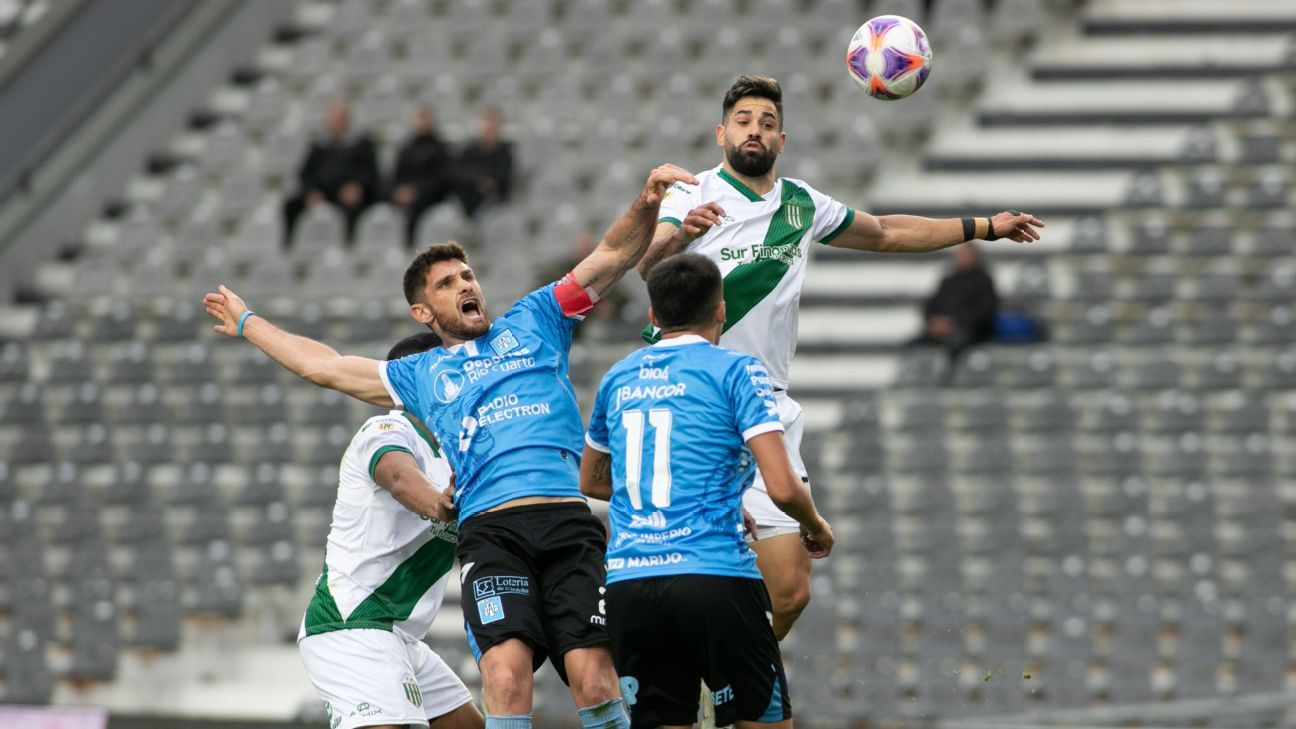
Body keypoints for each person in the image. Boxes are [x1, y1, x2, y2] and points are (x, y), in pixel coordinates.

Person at [204, 163, 700, 729]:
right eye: (446, 283)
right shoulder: (420, 374)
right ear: (423, 313)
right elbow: (328, 367)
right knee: (506, 680)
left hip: (566, 521)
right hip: (492, 534)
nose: (465, 285)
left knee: (594, 679)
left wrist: (646, 201)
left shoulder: (536, 319)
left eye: (467, 275)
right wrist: (249, 322)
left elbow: (610, 257)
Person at [634, 75, 1044, 640]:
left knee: (791, 590)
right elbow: (647, 269)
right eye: (744, 120)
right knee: (691, 574)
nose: (755, 130)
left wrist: (982, 227)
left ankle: (723, 678)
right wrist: (676, 241)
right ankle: (704, 682)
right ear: (721, 132)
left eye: (768, 123)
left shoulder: (801, 204)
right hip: (692, 398)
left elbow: (887, 233)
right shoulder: (690, 192)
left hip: (764, 404)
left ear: (783, 140)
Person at [580, 253, 834, 729]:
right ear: (721, 310)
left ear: (653, 317)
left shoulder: (617, 376)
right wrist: (815, 525)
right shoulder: (739, 370)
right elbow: (780, 487)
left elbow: (592, 479)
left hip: (629, 582)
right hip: (713, 575)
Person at [298, 331, 484, 729]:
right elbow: (400, 478)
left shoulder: (455, 450)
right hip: (352, 624)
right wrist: (440, 504)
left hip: (401, 636)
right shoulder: (387, 428)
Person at [283, 100, 381, 243]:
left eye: (340, 119)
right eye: (333, 119)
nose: (336, 123)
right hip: (322, 194)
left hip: (347, 196)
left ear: (348, 120)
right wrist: (311, 192)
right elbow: (305, 174)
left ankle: (347, 245)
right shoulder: (319, 146)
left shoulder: (362, 145)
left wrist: (357, 186)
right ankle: (291, 244)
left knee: (353, 209)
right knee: (291, 204)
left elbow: (370, 173)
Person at [913, 242, 999, 369]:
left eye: (967, 255)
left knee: (955, 345)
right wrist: (933, 322)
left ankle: (949, 379)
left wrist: (953, 323)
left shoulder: (984, 282)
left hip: (970, 331)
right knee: (913, 345)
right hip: (941, 330)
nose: (962, 258)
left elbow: (984, 311)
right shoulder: (948, 281)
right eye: (961, 255)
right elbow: (931, 305)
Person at [392, 107, 455, 245]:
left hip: (430, 201)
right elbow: (395, 177)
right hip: (404, 202)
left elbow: (442, 180)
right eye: (418, 119)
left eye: (424, 119)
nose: (421, 123)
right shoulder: (406, 149)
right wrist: (399, 193)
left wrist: (416, 192)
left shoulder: (440, 149)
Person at [455, 107, 513, 217]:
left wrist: (489, 182)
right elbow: (459, 171)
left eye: (492, 122)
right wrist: (478, 179)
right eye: (485, 121)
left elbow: (503, 177)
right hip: (468, 195)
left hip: (492, 200)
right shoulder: (469, 150)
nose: (488, 127)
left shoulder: (504, 153)